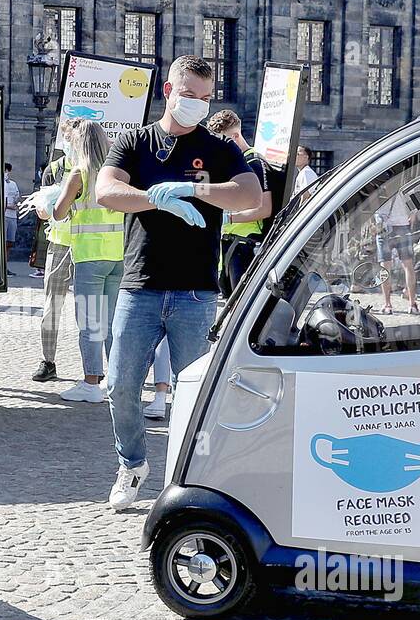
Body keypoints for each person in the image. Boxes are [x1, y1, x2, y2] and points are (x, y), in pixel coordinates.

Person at [96, 55, 262, 509]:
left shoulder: (218, 149)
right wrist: (155, 199)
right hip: (139, 283)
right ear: (169, 91)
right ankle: (132, 464)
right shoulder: (136, 141)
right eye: (190, 96)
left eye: (206, 99)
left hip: (195, 289)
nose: (198, 106)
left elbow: (251, 194)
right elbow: (106, 190)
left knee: (194, 393)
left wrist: (193, 191)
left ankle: (187, 473)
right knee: (121, 385)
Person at [50, 119, 122, 403]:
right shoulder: (116, 174)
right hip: (118, 255)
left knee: (91, 322)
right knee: (112, 322)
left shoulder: (79, 174)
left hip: (90, 258)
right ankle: (116, 379)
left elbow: (57, 213)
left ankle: (91, 382)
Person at [206, 110, 275, 297]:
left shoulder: (254, 162)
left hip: (245, 244)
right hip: (227, 243)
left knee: (240, 302)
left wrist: (227, 217)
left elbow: (265, 209)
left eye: (223, 141)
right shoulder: (228, 162)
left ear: (235, 136)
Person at [31, 132, 75, 382]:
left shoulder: (97, 165)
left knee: (93, 307)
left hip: (91, 246)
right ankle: (48, 361)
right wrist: (48, 205)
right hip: (59, 244)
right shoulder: (55, 169)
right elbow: (42, 212)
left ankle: (96, 369)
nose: (71, 144)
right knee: (52, 306)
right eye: (68, 139)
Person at [375, 191, 420, 315]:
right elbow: (414, 194)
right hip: (402, 224)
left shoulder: (377, 181)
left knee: (385, 267)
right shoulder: (402, 177)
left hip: (383, 225)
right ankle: (412, 304)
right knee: (408, 265)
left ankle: (387, 304)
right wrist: (414, 213)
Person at [3, 162, 20, 275]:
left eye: (7, 170)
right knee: (2, 242)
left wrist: (16, 203)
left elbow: (17, 196)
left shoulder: (13, 184)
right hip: (4, 215)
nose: (5, 173)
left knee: (9, 243)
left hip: (12, 216)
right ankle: (1, 267)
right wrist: (8, 206)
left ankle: (5, 266)